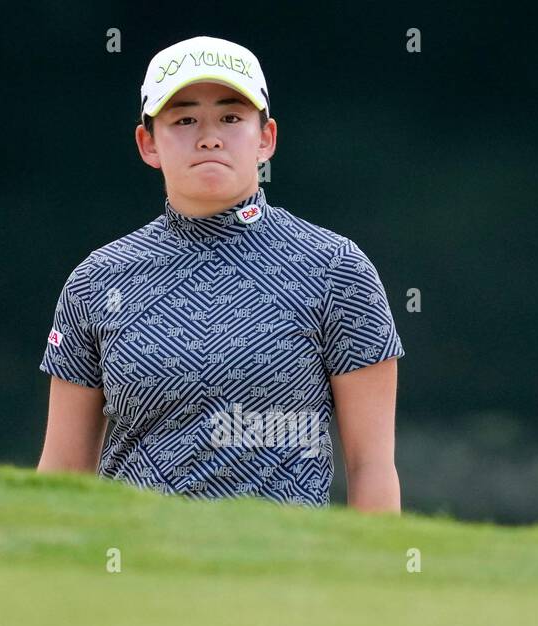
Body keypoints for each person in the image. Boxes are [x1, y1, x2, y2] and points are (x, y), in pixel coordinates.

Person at [37, 35, 405, 512]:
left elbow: (371, 465)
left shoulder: (337, 269)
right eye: (184, 119)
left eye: (231, 118)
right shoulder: (98, 279)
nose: (209, 136)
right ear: (148, 143)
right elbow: (64, 468)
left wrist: (378, 578)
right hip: (128, 566)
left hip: (285, 572)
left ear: (265, 138)